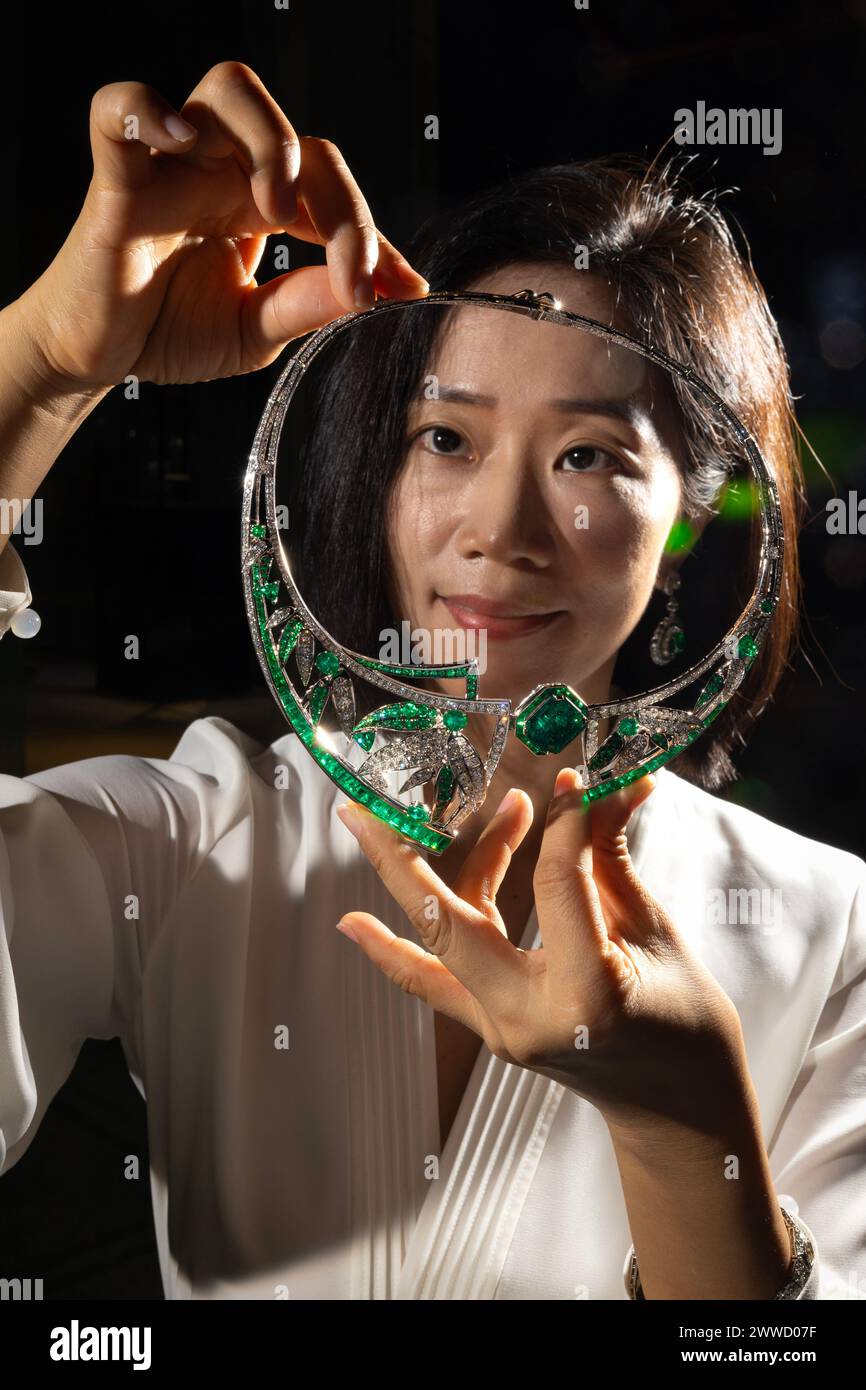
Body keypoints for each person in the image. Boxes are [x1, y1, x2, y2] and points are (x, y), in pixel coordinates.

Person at [0, 61, 863, 1302]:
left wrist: (687, 1134)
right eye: (445, 437)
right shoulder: (192, 845)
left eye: (586, 453)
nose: (498, 527)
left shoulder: (828, 935)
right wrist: (39, 366)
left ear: (692, 522)